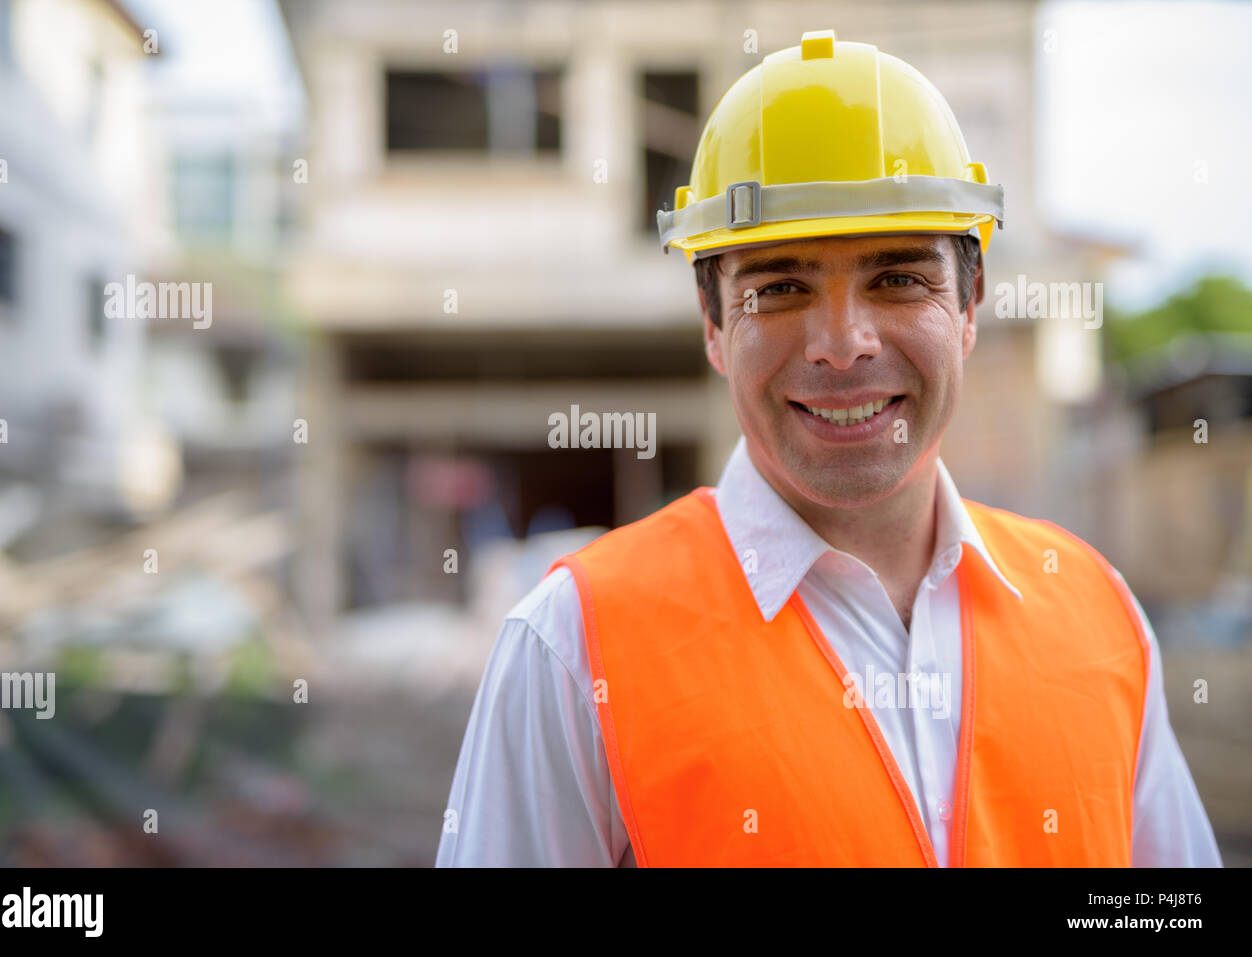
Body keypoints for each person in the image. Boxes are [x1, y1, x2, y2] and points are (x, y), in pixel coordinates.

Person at [436, 29, 1221, 867]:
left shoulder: (1099, 615)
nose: (842, 344)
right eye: (780, 288)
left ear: (969, 305)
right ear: (712, 324)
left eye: (897, 278)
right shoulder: (573, 648)